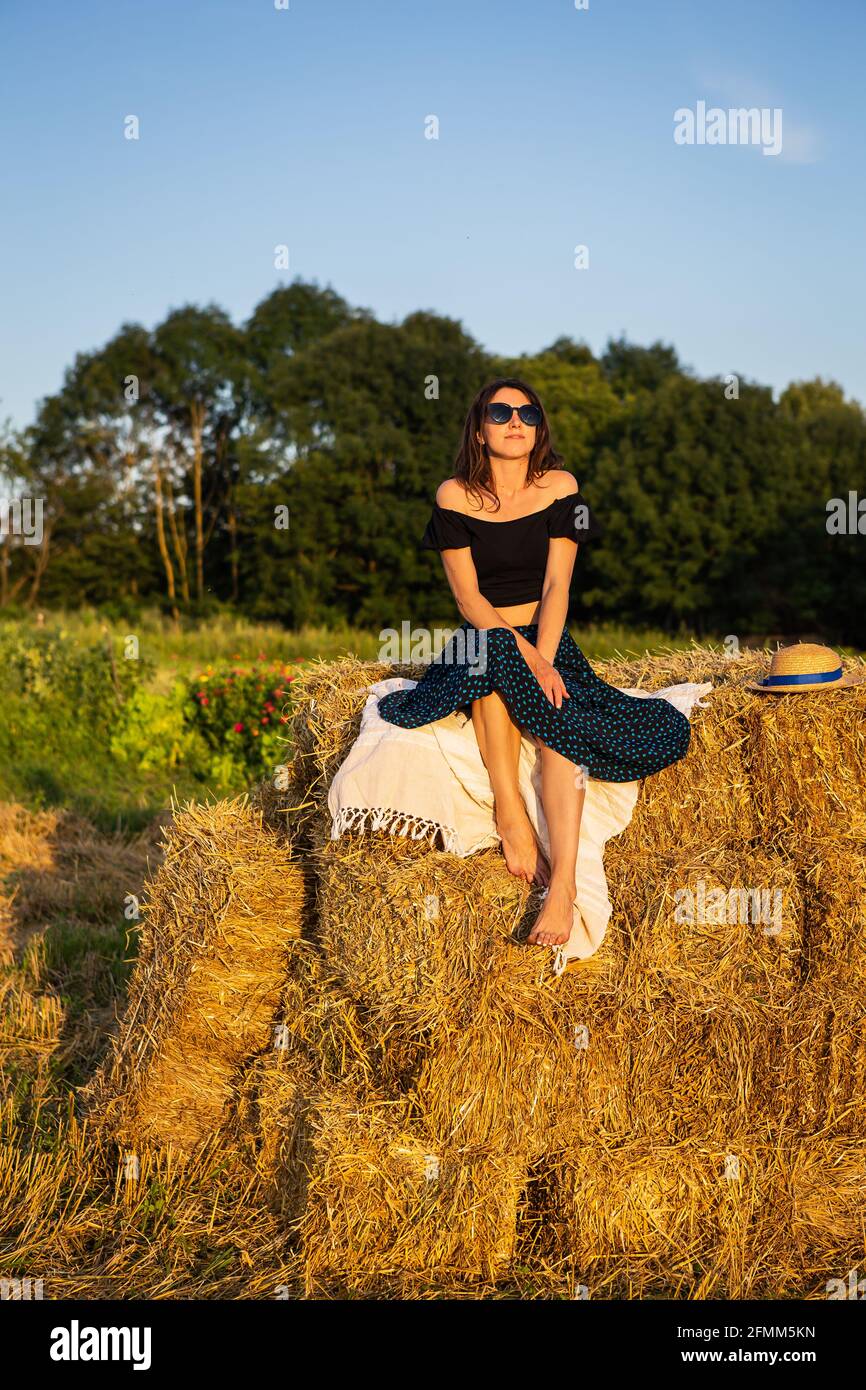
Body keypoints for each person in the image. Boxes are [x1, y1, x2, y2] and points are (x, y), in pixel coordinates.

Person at [376, 377, 691, 949]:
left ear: (540, 427)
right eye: (500, 412)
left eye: (528, 412)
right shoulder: (453, 497)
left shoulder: (562, 488)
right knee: (494, 656)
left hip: (547, 637)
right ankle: (510, 813)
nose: (516, 420)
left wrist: (546, 660)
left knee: (557, 727)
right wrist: (526, 660)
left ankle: (563, 885)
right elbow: (470, 600)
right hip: (485, 637)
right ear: (479, 429)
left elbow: (556, 585)